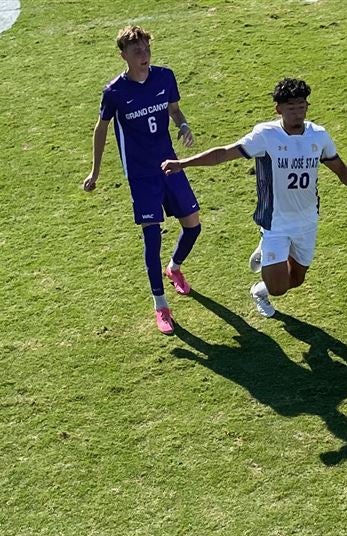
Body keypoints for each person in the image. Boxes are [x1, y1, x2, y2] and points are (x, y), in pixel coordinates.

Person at [161, 78, 347, 318]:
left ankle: (265, 275)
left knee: (297, 279)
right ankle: (261, 284)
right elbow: (223, 153)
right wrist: (184, 163)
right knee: (278, 288)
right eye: (291, 107)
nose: (297, 112)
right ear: (278, 109)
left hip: (307, 221)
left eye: (302, 105)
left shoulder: (318, 136)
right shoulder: (266, 136)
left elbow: (340, 167)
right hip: (275, 224)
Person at [82, 25, 201, 335]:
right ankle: (160, 305)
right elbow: (101, 129)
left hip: (170, 165)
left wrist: (184, 125)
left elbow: (174, 110)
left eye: (147, 49)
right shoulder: (115, 92)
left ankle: (173, 268)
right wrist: (95, 172)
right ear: (123, 55)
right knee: (152, 238)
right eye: (137, 51)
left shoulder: (165, 77)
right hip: (140, 175)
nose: (144, 55)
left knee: (194, 224)